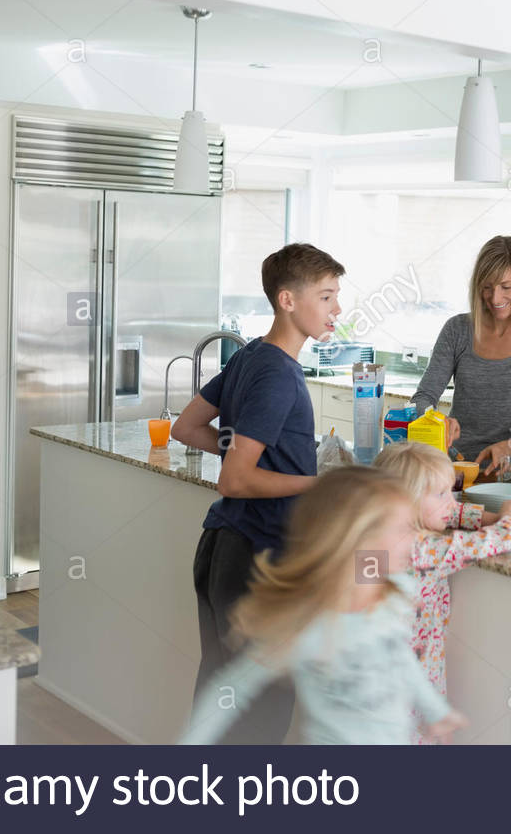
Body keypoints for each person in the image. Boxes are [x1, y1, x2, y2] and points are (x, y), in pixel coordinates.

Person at [172, 242, 344, 741]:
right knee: (261, 715)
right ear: (288, 300)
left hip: (223, 550)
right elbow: (235, 479)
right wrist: (319, 484)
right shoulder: (279, 375)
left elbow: (186, 427)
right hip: (257, 560)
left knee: (224, 702)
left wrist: (243, 455)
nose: (337, 309)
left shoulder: (252, 356)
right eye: (327, 296)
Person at [179, 467, 467, 745]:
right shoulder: (310, 627)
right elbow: (232, 688)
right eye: (403, 529)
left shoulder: (396, 596)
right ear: (358, 539)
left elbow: (399, 659)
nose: (415, 539)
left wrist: (434, 711)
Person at [373, 442, 511, 740]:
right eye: (441, 493)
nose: (451, 502)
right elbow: (488, 543)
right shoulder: (420, 551)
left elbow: (449, 513)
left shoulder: (379, 535)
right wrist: (510, 521)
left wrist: (490, 517)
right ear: (404, 501)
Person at [412, 235, 511, 478]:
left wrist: (508, 447)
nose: (495, 298)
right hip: (456, 472)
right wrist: (435, 419)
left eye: (506, 287)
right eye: (487, 287)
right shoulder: (457, 330)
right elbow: (423, 397)